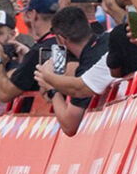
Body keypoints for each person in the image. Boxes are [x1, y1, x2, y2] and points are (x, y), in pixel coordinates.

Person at [34, 7, 116, 137]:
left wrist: (51, 88)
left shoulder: (87, 67)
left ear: (61, 39)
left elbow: (69, 125)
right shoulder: (110, 38)